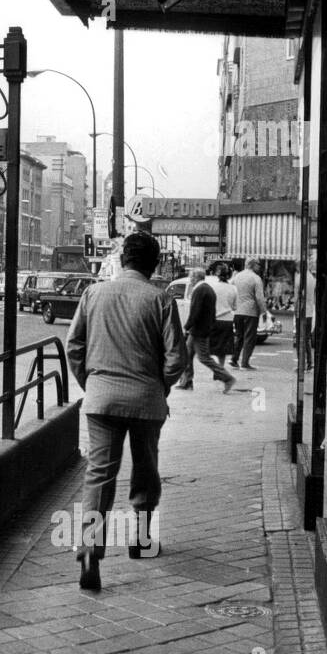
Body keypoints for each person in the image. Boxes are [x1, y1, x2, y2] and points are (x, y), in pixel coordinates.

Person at [65, 231, 188, 592]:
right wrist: (160, 386)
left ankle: (89, 548)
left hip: (102, 400)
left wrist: (92, 384)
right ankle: (141, 541)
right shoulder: (161, 300)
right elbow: (176, 357)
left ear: (121, 260)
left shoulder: (93, 293)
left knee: (99, 475)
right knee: (146, 468)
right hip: (147, 401)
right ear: (154, 264)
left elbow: (74, 346)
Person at [177, 267, 238, 394]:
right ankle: (186, 382)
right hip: (201, 329)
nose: (191, 280)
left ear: (196, 278)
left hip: (199, 330)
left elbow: (195, 312)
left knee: (204, 358)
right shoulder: (208, 289)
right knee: (187, 355)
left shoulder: (199, 290)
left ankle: (227, 378)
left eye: (192, 277)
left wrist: (186, 327)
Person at [230, 258, 270, 370]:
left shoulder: (237, 276)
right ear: (253, 265)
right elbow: (259, 298)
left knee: (239, 336)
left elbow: (231, 288)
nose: (260, 267)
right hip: (250, 312)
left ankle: (234, 359)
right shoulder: (256, 278)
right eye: (258, 265)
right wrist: (264, 311)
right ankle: (245, 363)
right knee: (249, 338)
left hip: (237, 311)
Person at [207, 262, 238, 367]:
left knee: (212, 348)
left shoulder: (212, 287)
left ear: (217, 275)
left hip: (214, 319)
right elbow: (235, 306)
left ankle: (216, 368)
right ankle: (221, 366)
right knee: (223, 349)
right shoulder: (233, 288)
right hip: (228, 320)